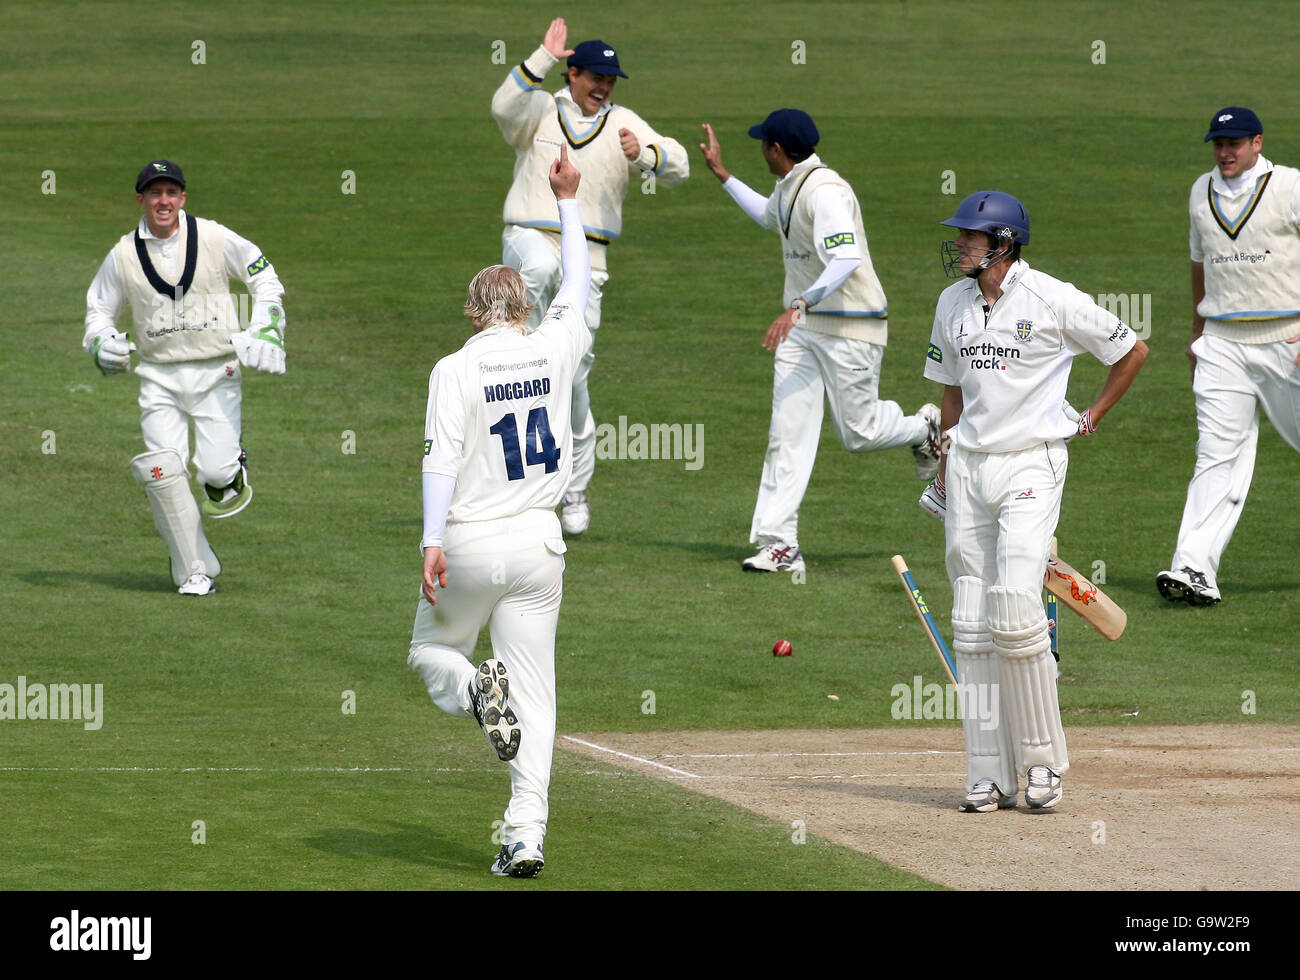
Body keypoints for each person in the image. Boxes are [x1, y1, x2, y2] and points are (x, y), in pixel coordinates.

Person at [921, 191, 1147, 812]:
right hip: (969, 467)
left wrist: (1092, 414)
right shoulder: (951, 303)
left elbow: (1131, 349)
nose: (960, 244)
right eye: (960, 235)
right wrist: (944, 468)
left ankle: (1044, 767)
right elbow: (951, 396)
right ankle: (988, 773)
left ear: (1003, 241)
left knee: (1017, 610)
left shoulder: (1052, 297)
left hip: (1033, 462)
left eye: (971, 235)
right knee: (972, 621)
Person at [406, 145, 590, 880]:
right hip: (541, 546)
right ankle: (525, 836)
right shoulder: (553, 346)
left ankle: (473, 690)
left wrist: (429, 539)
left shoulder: (455, 367)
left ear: (473, 313)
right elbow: (576, 278)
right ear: (523, 307)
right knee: (537, 695)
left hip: (472, 542)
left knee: (430, 653)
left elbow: (439, 458)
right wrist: (569, 198)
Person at [698, 109, 941, 573]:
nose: (761, 150)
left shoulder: (825, 192)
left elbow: (846, 257)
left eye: (762, 144)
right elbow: (771, 219)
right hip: (804, 331)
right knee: (786, 433)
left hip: (851, 326)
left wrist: (800, 304)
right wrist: (723, 175)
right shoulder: (791, 184)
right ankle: (779, 542)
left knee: (859, 434)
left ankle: (923, 429)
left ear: (776, 149)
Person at [491, 16, 689, 536]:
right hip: (529, 234)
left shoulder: (623, 121)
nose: (603, 88)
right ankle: (519, 335)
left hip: (589, 255)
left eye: (610, 81)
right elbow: (501, 106)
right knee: (538, 266)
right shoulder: (540, 110)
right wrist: (542, 56)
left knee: (573, 377)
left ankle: (574, 488)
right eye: (594, 78)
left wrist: (645, 155)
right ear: (572, 74)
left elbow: (680, 167)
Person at [84, 160, 286, 596]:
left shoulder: (213, 236)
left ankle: (228, 473)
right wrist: (100, 343)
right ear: (141, 200)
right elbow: (99, 310)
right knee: (162, 473)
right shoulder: (122, 254)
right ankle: (195, 570)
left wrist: (267, 325)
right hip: (158, 375)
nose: (163, 201)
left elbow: (262, 276)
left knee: (214, 475)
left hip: (217, 370)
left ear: (183, 198)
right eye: (154, 194)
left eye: (171, 193)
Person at [1158, 107, 1300, 606]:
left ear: (1257, 142)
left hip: (1289, 339)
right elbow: (1200, 262)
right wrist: (1198, 333)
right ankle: (1193, 568)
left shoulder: (1290, 186)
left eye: (1235, 143)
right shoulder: (1201, 190)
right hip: (1222, 344)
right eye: (1218, 144)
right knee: (1215, 454)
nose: (1225, 152)